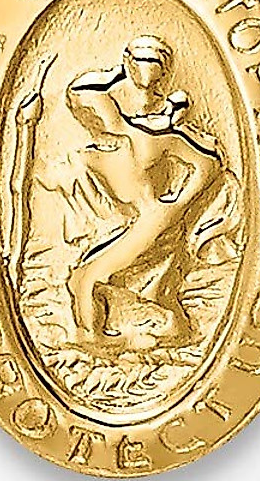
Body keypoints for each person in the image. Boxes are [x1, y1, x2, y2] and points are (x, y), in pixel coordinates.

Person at [62, 36, 229, 342]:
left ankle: (92, 340)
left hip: (151, 219)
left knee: (86, 280)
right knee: (88, 281)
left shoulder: (154, 136)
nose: (145, 70)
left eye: (153, 64)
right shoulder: (112, 134)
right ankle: (157, 329)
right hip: (134, 220)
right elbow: (78, 92)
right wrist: (118, 73)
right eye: (139, 62)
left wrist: (176, 205)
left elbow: (210, 165)